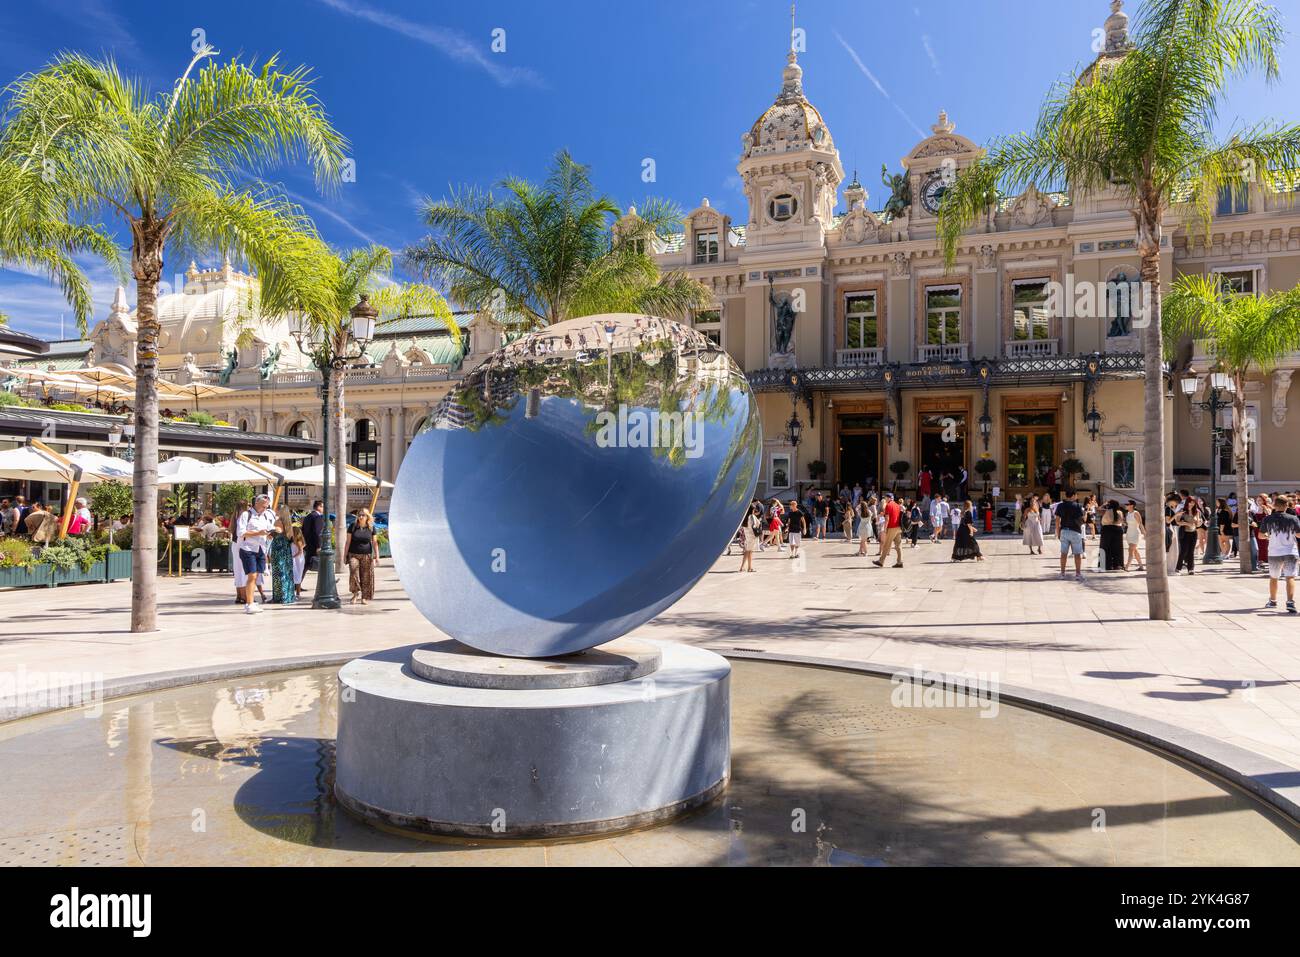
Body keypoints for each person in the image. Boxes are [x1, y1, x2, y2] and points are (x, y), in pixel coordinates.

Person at [1259, 495, 1300, 613]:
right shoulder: (1293, 518)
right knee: (1290, 577)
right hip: (1290, 551)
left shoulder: (1268, 519)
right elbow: (1299, 535)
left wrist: (1268, 536)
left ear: (1274, 505)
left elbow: (1261, 536)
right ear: (1287, 505)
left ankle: (1272, 601)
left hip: (1274, 551)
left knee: (1274, 577)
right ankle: (1290, 602)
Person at [236, 494, 276, 613]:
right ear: (257, 503)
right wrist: (258, 533)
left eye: (267, 506)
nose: (265, 508)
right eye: (264, 506)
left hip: (260, 548)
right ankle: (249, 604)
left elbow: (267, 530)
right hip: (248, 548)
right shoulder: (246, 515)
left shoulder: (265, 516)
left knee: (257, 576)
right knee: (252, 576)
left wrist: (271, 533)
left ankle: (251, 601)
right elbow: (241, 533)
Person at [346, 508, 377, 604]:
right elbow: (348, 542)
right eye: (359, 515)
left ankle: (364, 597)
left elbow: (375, 543)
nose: (360, 517)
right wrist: (344, 555)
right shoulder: (353, 526)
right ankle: (355, 593)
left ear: (367, 516)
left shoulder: (371, 528)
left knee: (366, 576)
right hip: (353, 554)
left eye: (363, 515)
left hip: (367, 555)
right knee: (353, 572)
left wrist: (377, 557)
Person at [1055, 488, 1086, 579]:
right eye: (1076, 495)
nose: (1076, 497)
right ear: (1073, 495)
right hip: (1075, 531)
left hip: (1064, 530)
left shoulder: (1060, 505)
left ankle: (1062, 573)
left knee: (1063, 553)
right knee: (1077, 553)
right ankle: (1078, 574)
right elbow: (1082, 520)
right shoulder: (1078, 506)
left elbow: (1057, 520)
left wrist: (1058, 532)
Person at [268, 516, 297, 604]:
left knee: (278, 574)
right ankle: (287, 596)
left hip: (278, 552)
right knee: (286, 573)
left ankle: (279, 597)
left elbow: (269, 535)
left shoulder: (278, 524)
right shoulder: (288, 526)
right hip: (285, 552)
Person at [872, 493, 904, 568]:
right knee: (899, 545)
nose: (885, 499)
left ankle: (881, 561)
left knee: (886, 545)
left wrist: (885, 529)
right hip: (898, 527)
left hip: (891, 527)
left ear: (888, 498)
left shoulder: (888, 505)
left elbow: (887, 519)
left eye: (885, 498)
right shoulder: (897, 505)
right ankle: (900, 561)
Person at [1174, 492, 1202, 575]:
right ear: (1187, 502)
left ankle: (1191, 569)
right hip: (1184, 533)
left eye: (1193, 503)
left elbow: (1198, 522)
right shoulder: (1182, 511)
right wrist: (1186, 523)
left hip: (1193, 533)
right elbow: (1177, 522)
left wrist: (1199, 522)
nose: (1192, 504)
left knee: (1191, 551)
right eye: (1190, 502)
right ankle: (1178, 568)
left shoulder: (1196, 511)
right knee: (1183, 551)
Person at [1099, 499, 1125, 571]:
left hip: (1107, 529)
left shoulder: (1106, 511)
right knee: (1117, 548)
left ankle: (1106, 565)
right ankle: (1117, 564)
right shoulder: (1120, 512)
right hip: (1118, 530)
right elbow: (1122, 521)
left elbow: (1098, 509)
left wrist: (1105, 504)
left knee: (1105, 547)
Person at [302, 499, 326, 572]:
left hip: (308, 544)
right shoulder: (318, 517)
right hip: (314, 545)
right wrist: (318, 546)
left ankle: (297, 582)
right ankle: (329, 580)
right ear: (318, 507)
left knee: (306, 565)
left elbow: (303, 530)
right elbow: (317, 532)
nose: (323, 509)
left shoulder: (307, 516)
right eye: (323, 507)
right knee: (323, 563)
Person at [1123, 501, 1146, 571]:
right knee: (1135, 550)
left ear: (1132, 505)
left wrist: (1145, 534)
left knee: (1130, 550)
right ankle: (1141, 566)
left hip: (1135, 533)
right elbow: (1128, 524)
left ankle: (1126, 567)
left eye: (1127, 504)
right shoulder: (1128, 513)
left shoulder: (1136, 513)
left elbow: (1140, 524)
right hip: (1129, 533)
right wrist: (1123, 523)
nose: (1126, 505)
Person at [738, 504, 761, 572]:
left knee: (746, 552)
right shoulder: (752, 516)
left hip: (747, 536)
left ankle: (742, 567)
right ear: (752, 510)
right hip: (752, 536)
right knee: (750, 552)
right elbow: (757, 523)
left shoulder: (744, 516)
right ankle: (750, 567)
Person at [291, 527, 307, 597]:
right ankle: (296, 593)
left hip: (298, 560)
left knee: (297, 576)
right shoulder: (294, 540)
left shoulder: (298, 541)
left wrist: (293, 556)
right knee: (296, 576)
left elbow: (300, 551)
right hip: (296, 560)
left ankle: (298, 594)